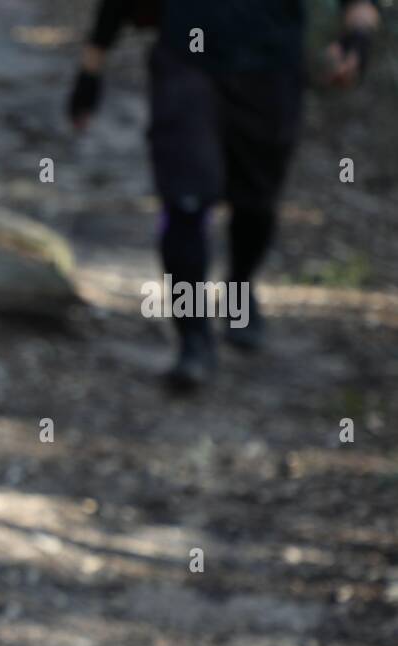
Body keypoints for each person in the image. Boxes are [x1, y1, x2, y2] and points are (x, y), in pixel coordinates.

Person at [68, 0, 382, 390]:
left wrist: (357, 40)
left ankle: (239, 286)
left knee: (255, 206)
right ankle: (192, 338)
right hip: (186, 63)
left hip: (271, 71)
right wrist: (90, 70)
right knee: (185, 202)